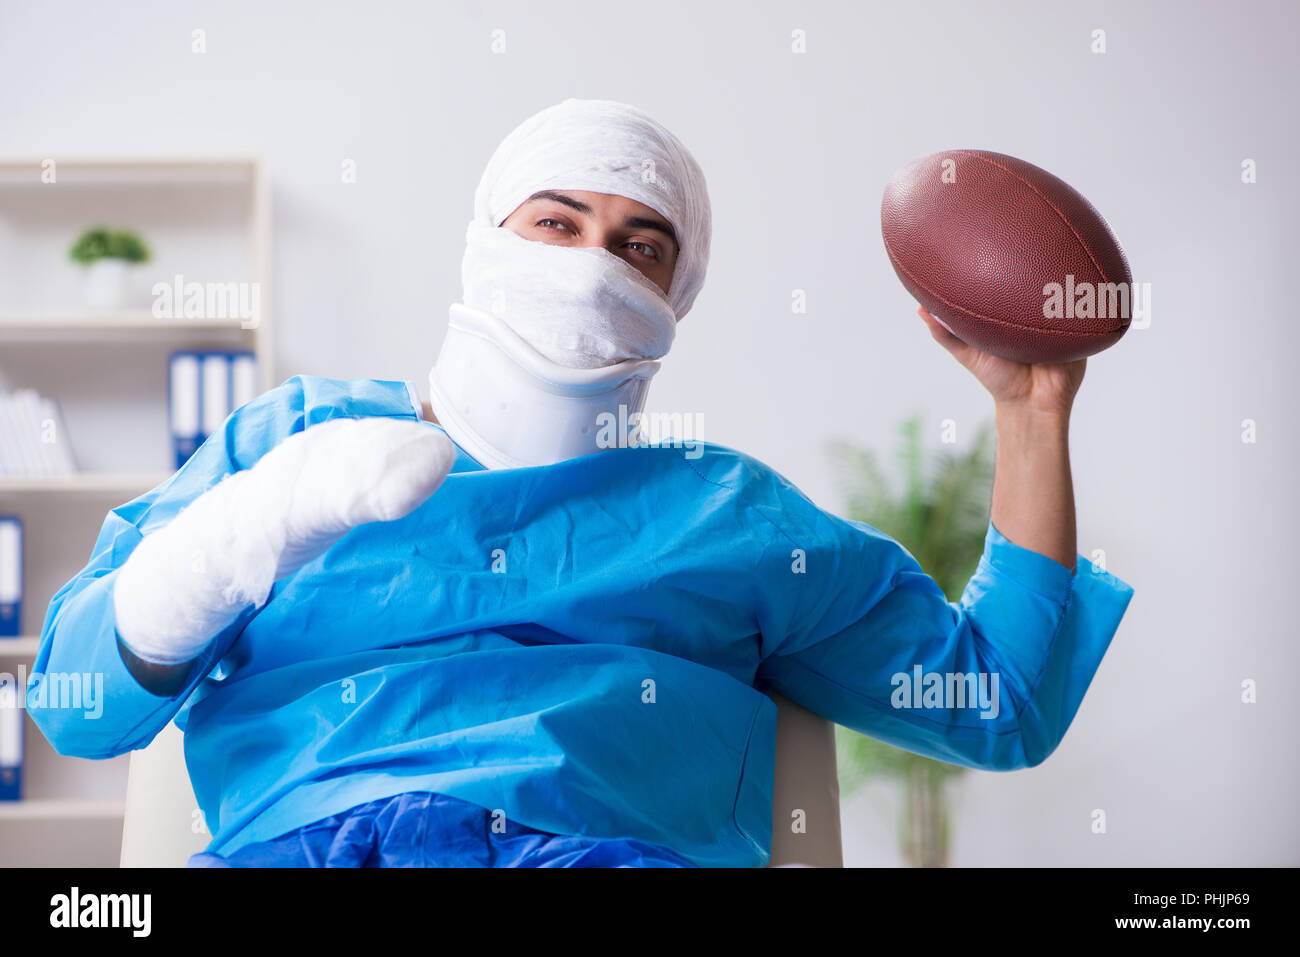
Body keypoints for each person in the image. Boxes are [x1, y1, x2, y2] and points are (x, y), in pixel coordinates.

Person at [27, 98, 1134, 868]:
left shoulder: (728, 517)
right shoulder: (296, 444)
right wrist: (250, 528)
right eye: (554, 223)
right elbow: (78, 703)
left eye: (639, 246)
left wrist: (1031, 411)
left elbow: (998, 702)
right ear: (487, 241)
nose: (591, 264)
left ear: (675, 296)